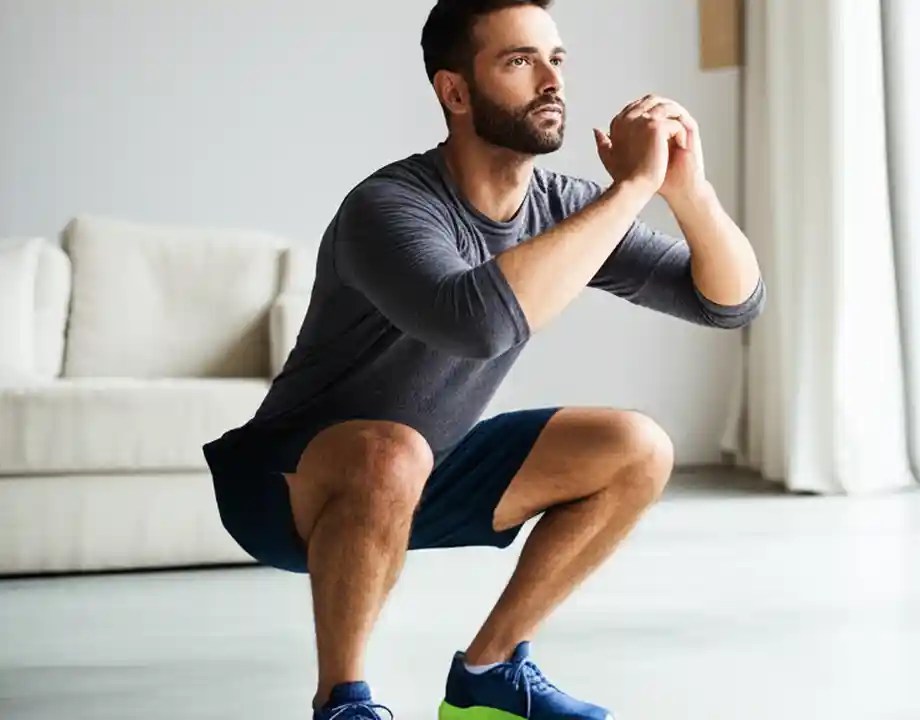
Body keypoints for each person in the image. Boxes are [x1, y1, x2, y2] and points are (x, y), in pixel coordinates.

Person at [201, 0, 765, 717]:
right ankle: (342, 702)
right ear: (456, 92)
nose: (551, 81)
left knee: (636, 447)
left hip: (425, 469)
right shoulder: (389, 207)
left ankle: (489, 673)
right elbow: (477, 325)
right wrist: (630, 191)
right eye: (519, 61)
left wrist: (689, 192)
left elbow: (730, 302)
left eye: (555, 59)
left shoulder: (565, 206)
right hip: (283, 488)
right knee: (390, 451)